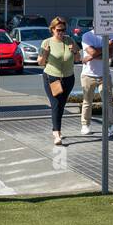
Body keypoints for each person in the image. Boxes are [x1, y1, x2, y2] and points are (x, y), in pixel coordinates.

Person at [36, 17, 77, 145]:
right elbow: (40, 62)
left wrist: (75, 51)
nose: (61, 32)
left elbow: (78, 58)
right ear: (52, 29)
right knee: (55, 103)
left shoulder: (70, 40)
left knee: (61, 105)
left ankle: (56, 128)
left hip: (68, 78)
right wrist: (46, 53)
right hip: (52, 77)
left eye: (63, 30)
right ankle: (57, 133)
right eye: (59, 30)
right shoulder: (46, 43)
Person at [78, 28, 113, 137]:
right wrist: (104, 47)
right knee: (87, 101)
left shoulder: (110, 35)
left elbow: (110, 55)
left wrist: (92, 56)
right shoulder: (87, 36)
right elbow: (93, 52)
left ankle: (112, 126)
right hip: (88, 75)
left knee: (108, 101)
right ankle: (85, 125)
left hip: (104, 75)